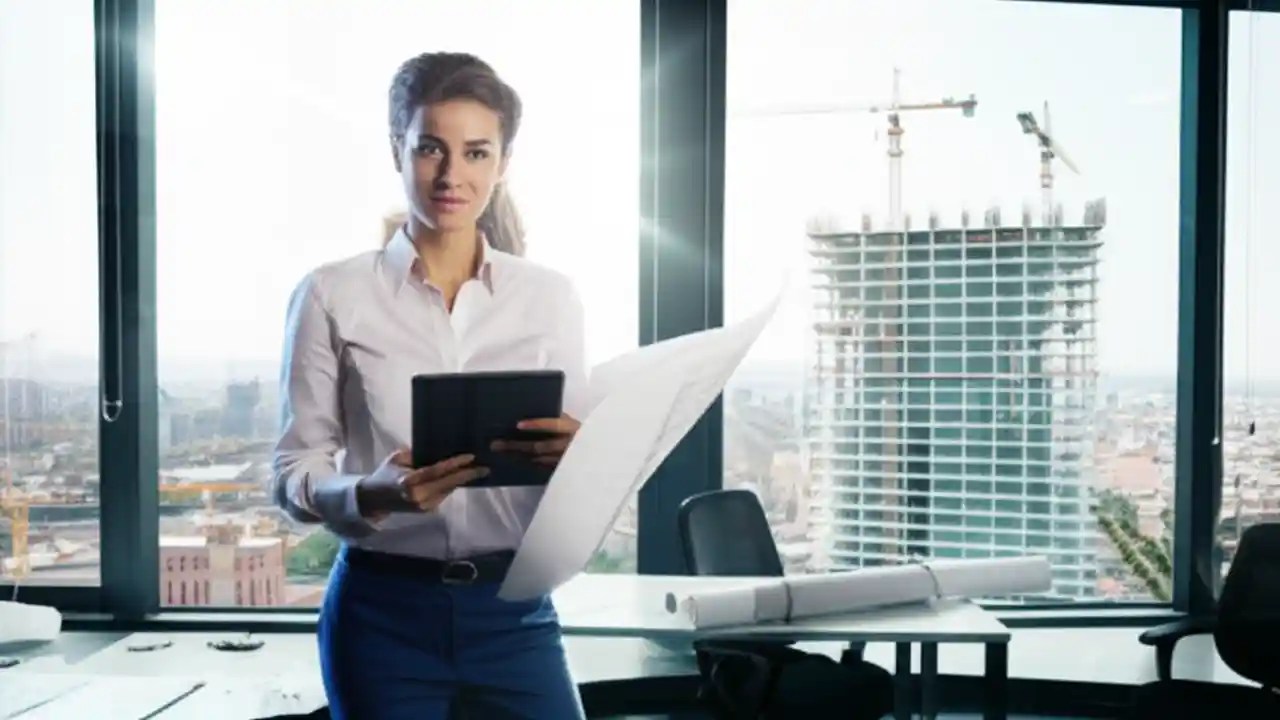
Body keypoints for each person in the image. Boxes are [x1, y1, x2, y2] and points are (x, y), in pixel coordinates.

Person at [272, 51, 589, 720]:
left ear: (503, 163)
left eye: (476, 153)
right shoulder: (332, 294)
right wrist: (370, 492)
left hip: (514, 610)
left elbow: (574, 478)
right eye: (430, 149)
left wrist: (583, 456)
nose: (452, 174)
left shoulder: (550, 299)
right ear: (397, 149)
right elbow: (293, 472)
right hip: (382, 614)